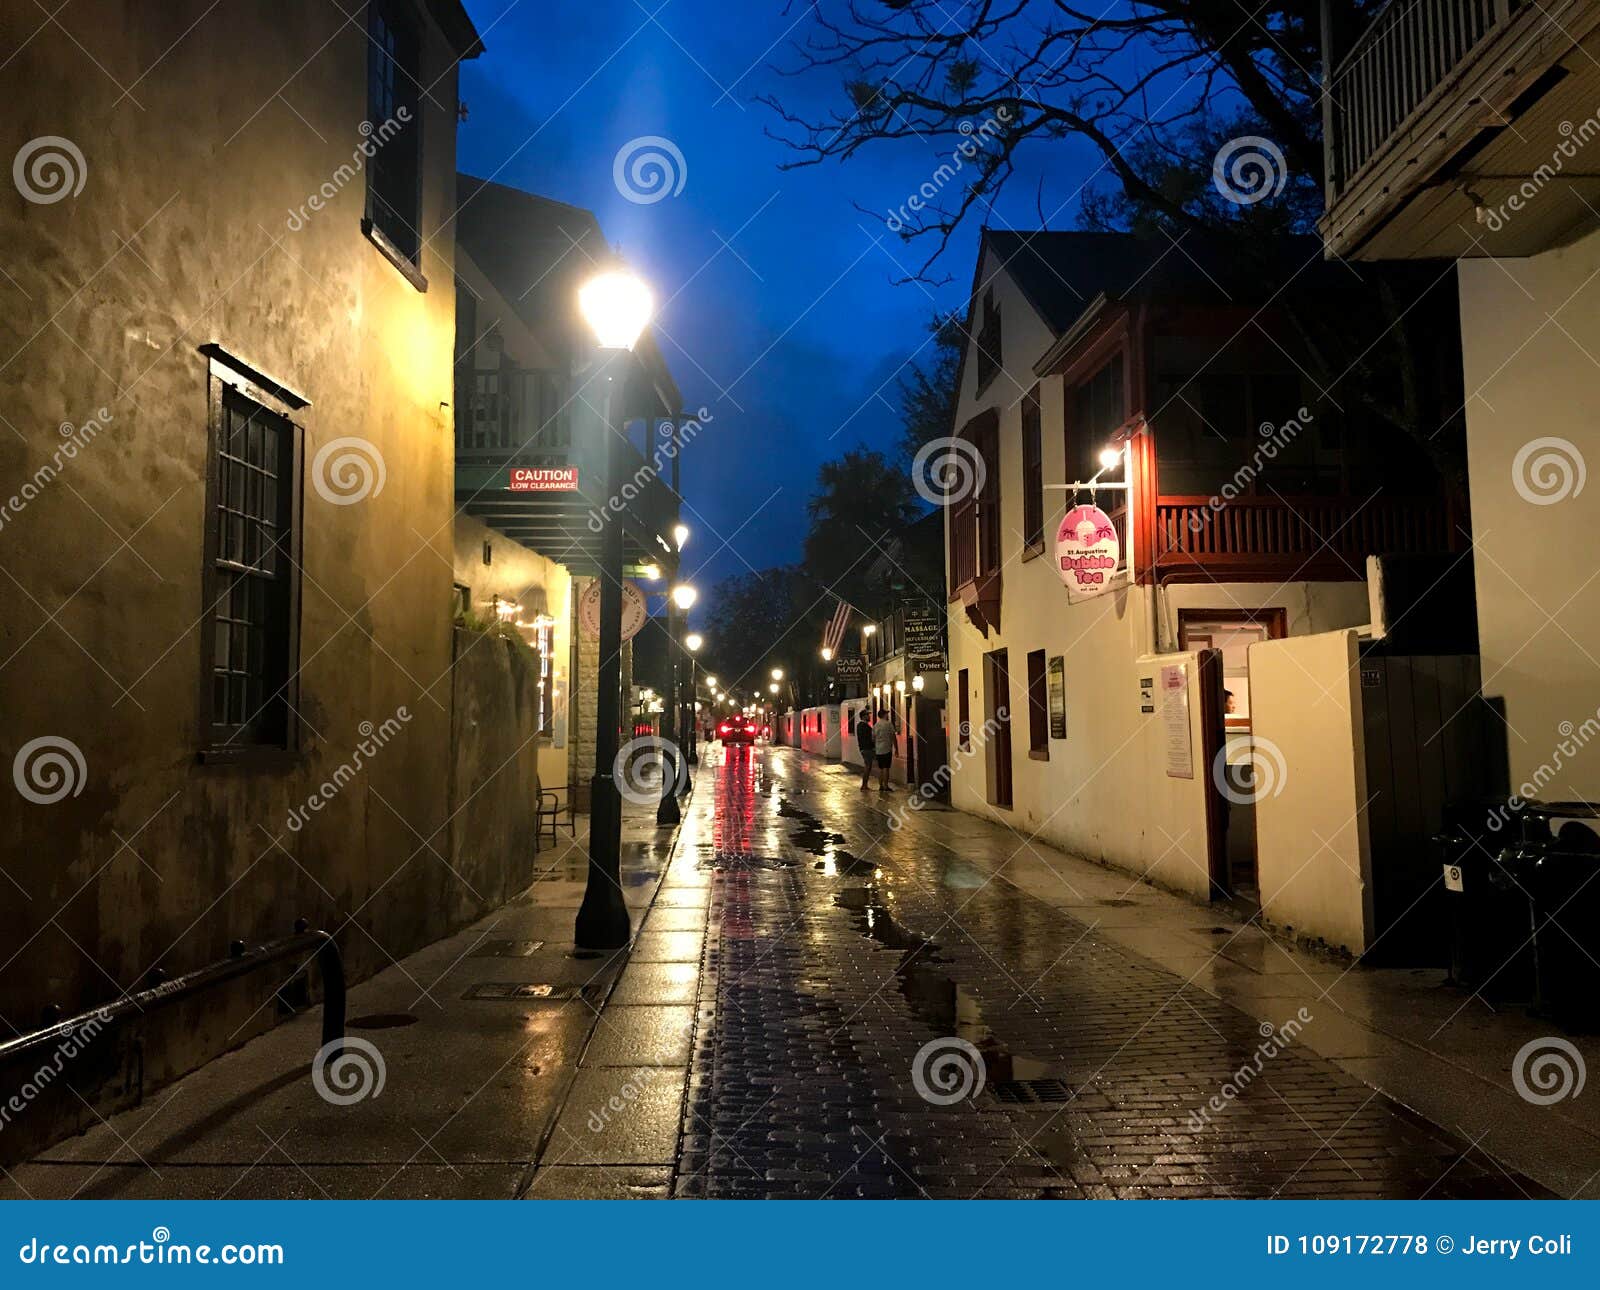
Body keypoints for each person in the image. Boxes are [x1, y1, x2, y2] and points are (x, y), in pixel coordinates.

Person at [872, 706, 899, 792]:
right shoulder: (888, 724)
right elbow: (893, 736)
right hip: (887, 749)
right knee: (886, 768)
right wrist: (896, 748)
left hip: (878, 750)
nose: (887, 715)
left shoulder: (875, 725)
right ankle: (886, 785)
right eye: (886, 714)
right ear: (884, 715)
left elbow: (873, 738)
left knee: (880, 768)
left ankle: (880, 785)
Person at [855, 708, 875, 790]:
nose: (869, 716)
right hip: (867, 749)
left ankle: (865, 784)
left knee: (868, 766)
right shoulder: (864, 726)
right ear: (863, 716)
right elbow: (868, 738)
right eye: (867, 715)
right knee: (868, 766)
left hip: (864, 748)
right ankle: (864, 785)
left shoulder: (860, 726)